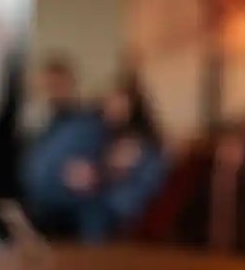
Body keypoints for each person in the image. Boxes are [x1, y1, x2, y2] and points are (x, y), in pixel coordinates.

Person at [74, 79, 169, 242]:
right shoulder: (100, 134)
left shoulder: (144, 146)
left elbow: (141, 191)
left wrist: (111, 172)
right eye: (110, 104)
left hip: (127, 209)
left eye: (120, 106)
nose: (112, 110)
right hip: (101, 203)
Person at [21, 59, 107, 236]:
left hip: (71, 220)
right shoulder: (42, 125)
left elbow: (94, 175)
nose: (49, 92)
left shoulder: (89, 124)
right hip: (38, 214)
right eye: (44, 87)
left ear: (70, 83)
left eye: (55, 85)